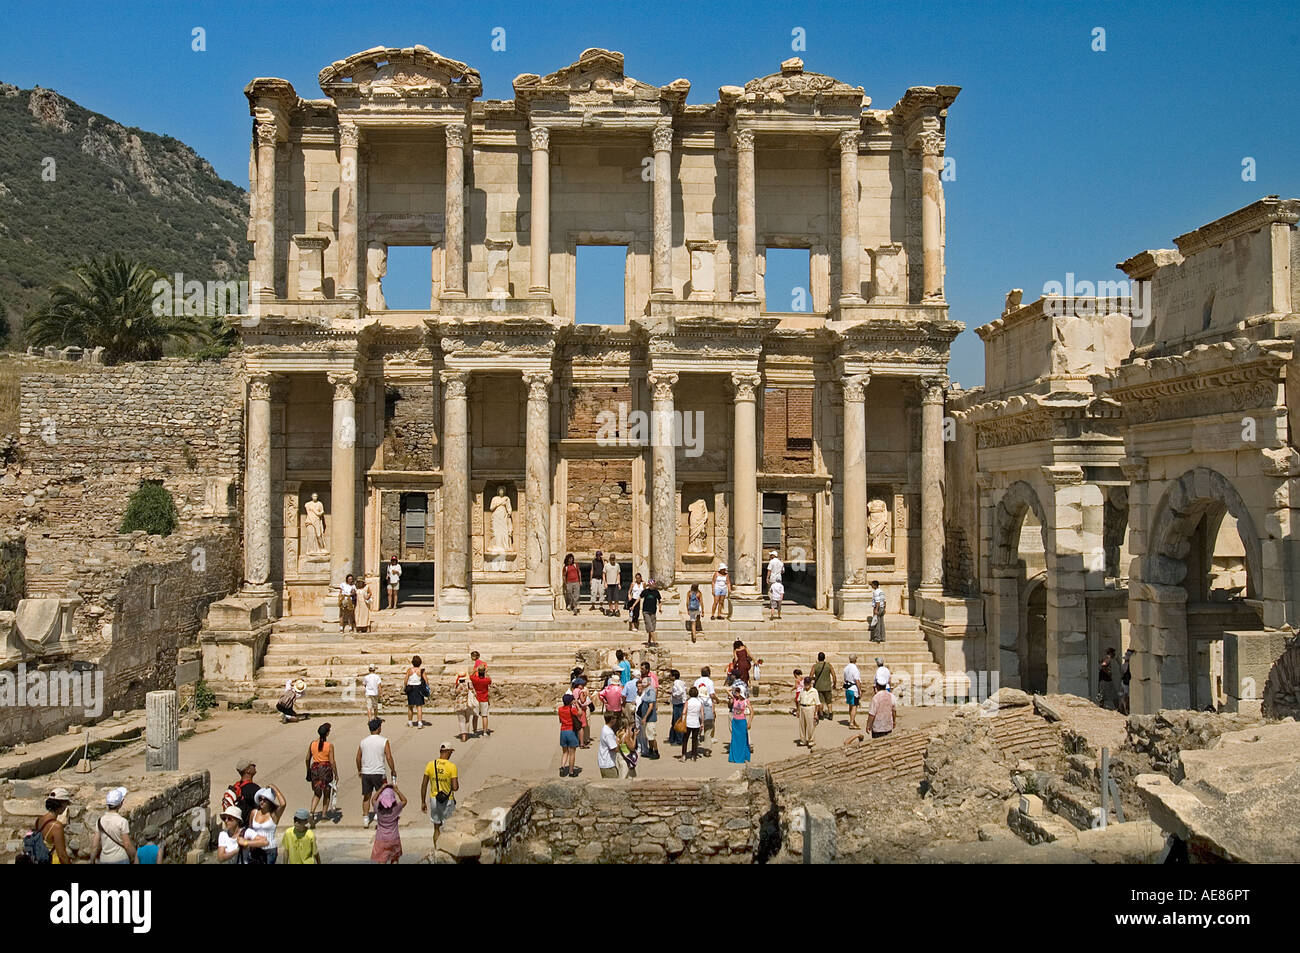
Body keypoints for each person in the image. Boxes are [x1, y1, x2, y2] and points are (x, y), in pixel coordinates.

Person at [357, 717, 397, 828]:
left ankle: (365, 818)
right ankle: (377, 815)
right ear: (378, 728)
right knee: (382, 795)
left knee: (366, 796)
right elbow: (388, 757)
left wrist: (359, 769)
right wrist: (393, 769)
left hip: (366, 772)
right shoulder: (384, 741)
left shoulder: (363, 741)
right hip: (379, 772)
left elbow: (358, 757)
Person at [421, 742, 460, 846]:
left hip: (434, 799)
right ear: (449, 751)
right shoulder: (452, 766)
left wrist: (423, 802)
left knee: (436, 828)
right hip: (447, 800)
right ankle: (447, 849)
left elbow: (424, 784)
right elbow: (455, 787)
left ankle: (436, 849)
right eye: (451, 752)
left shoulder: (430, 764)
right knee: (448, 828)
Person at [305, 722, 339, 823]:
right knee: (327, 793)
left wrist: (308, 770)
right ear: (327, 733)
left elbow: (307, 758)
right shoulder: (329, 745)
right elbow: (332, 761)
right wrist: (336, 774)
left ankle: (312, 812)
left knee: (317, 793)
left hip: (315, 770)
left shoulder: (312, 744)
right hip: (325, 770)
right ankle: (324, 815)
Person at [246, 785, 285, 864]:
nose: (262, 802)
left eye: (265, 800)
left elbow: (283, 804)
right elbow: (250, 830)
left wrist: (274, 788)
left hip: (270, 850)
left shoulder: (274, 815)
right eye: (260, 799)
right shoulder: (254, 812)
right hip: (256, 849)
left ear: (269, 802)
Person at [31, 789, 73, 864]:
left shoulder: (39, 820)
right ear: (62, 803)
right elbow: (62, 855)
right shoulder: (56, 826)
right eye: (66, 803)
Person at [370, 781, 406, 864]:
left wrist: (381, 789)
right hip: (394, 838)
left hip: (381, 840)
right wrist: (397, 790)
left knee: (382, 860)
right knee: (395, 859)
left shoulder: (377, 808)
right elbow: (404, 800)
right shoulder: (395, 809)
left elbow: (373, 800)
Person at [558, 692, 584, 777]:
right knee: (572, 753)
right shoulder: (572, 709)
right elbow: (580, 713)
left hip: (563, 731)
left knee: (565, 752)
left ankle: (562, 766)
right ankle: (571, 771)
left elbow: (560, 720)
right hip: (571, 731)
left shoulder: (560, 709)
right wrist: (577, 705)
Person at [694, 667, 717, 755]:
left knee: (697, 726)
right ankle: (707, 748)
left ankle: (695, 746)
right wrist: (717, 700)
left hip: (698, 704)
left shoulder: (697, 681)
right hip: (707, 705)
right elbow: (712, 695)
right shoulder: (710, 682)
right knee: (708, 728)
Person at [637, 675, 659, 759]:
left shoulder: (651, 691)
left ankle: (656, 752)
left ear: (649, 683)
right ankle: (650, 751)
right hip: (646, 718)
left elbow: (651, 706)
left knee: (651, 736)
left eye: (644, 682)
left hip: (650, 718)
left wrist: (645, 717)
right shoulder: (646, 690)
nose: (642, 684)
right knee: (648, 735)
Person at [728, 685, 751, 763]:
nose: (736, 693)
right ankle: (733, 757)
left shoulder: (746, 701)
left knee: (743, 740)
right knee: (734, 740)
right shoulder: (735, 699)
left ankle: (743, 757)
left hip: (742, 722)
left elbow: (752, 712)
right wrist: (734, 688)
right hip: (735, 722)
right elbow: (727, 690)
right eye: (736, 691)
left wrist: (749, 722)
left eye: (738, 691)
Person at [404, 655, 428, 728]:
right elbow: (426, 681)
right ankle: (419, 722)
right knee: (419, 706)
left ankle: (410, 722)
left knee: (410, 706)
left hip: (410, 688)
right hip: (418, 688)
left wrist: (406, 687)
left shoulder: (409, 670)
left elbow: (405, 681)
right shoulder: (421, 671)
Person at [570, 671, 593, 748]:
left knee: (576, 725)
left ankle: (576, 741)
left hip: (574, 709)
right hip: (581, 709)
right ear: (579, 685)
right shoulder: (580, 691)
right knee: (581, 726)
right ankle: (582, 743)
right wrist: (585, 695)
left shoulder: (574, 691)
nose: (583, 686)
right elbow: (582, 701)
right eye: (582, 685)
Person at [680, 686, 703, 760]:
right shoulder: (699, 702)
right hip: (696, 723)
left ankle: (684, 755)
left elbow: (684, 712)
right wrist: (702, 723)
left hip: (688, 722)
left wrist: (682, 720)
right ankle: (694, 755)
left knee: (685, 739)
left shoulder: (688, 702)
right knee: (695, 739)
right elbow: (702, 714)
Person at [812, 652, 836, 722]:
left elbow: (810, 676)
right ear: (824, 658)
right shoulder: (829, 665)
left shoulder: (815, 666)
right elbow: (834, 676)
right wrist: (834, 684)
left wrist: (815, 679)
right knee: (829, 701)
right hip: (827, 686)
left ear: (818, 658)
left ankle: (821, 714)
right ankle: (830, 714)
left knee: (820, 701)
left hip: (818, 686)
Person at [453, 668, 475, 742]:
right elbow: (473, 691)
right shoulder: (468, 685)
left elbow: (453, 694)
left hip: (459, 704)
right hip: (467, 704)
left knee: (461, 721)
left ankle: (463, 736)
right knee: (467, 720)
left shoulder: (458, 686)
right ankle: (467, 734)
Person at [470, 663, 493, 735]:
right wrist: (486, 673)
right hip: (484, 699)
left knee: (475, 716)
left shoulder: (475, 679)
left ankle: (475, 731)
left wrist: (475, 670)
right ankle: (485, 732)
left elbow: (470, 675)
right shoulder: (486, 680)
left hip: (476, 699)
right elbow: (490, 680)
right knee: (484, 716)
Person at [798, 676, 820, 747]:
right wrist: (798, 710)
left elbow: (817, 703)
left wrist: (816, 714)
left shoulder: (814, 691)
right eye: (805, 683)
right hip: (802, 707)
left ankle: (811, 740)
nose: (806, 685)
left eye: (808, 683)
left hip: (810, 708)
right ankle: (803, 740)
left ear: (810, 683)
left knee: (811, 725)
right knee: (802, 725)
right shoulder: (802, 690)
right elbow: (799, 700)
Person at [597, 712, 622, 778]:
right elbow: (615, 749)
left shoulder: (605, 728)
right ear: (611, 719)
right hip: (608, 764)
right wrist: (619, 741)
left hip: (605, 762)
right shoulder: (608, 733)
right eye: (615, 718)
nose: (616, 720)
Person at [843, 655, 864, 729]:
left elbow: (845, 679)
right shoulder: (855, 669)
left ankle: (853, 721)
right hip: (853, 689)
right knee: (854, 706)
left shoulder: (846, 668)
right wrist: (859, 690)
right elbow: (857, 680)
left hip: (848, 688)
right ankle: (851, 723)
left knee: (850, 706)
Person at [667, 669, 686, 746]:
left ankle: (679, 740)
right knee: (674, 721)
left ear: (674, 676)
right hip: (678, 704)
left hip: (678, 704)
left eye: (670, 675)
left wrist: (674, 694)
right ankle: (673, 738)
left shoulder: (677, 684)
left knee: (677, 722)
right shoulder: (680, 682)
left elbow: (681, 691)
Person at [639, 579, 661, 646]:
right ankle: (655, 642)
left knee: (652, 628)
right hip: (646, 611)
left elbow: (659, 600)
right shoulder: (645, 591)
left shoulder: (656, 592)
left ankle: (649, 642)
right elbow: (639, 598)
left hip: (653, 611)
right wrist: (633, 605)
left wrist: (660, 608)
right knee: (650, 627)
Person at [1119, 648, 1135, 715]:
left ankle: (1123, 709)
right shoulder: (1127, 665)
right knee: (1126, 697)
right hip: (1127, 683)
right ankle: (1126, 710)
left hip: (1125, 682)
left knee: (1124, 696)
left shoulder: (1125, 665)